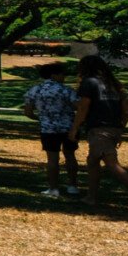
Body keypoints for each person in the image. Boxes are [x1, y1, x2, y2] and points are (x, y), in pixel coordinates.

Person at [70, 54, 128, 210]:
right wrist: (120, 129)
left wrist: (75, 128)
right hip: (112, 128)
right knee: (92, 161)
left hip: (99, 129)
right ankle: (91, 197)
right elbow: (125, 109)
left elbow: (83, 108)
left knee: (112, 165)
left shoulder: (89, 83)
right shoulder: (112, 84)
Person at [22, 61, 83, 199]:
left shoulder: (35, 90)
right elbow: (79, 106)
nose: (64, 77)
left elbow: (28, 111)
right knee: (70, 156)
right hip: (68, 127)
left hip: (48, 129)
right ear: (54, 74)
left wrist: (40, 118)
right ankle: (72, 185)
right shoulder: (66, 90)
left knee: (52, 159)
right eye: (62, 74)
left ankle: (53, 188)